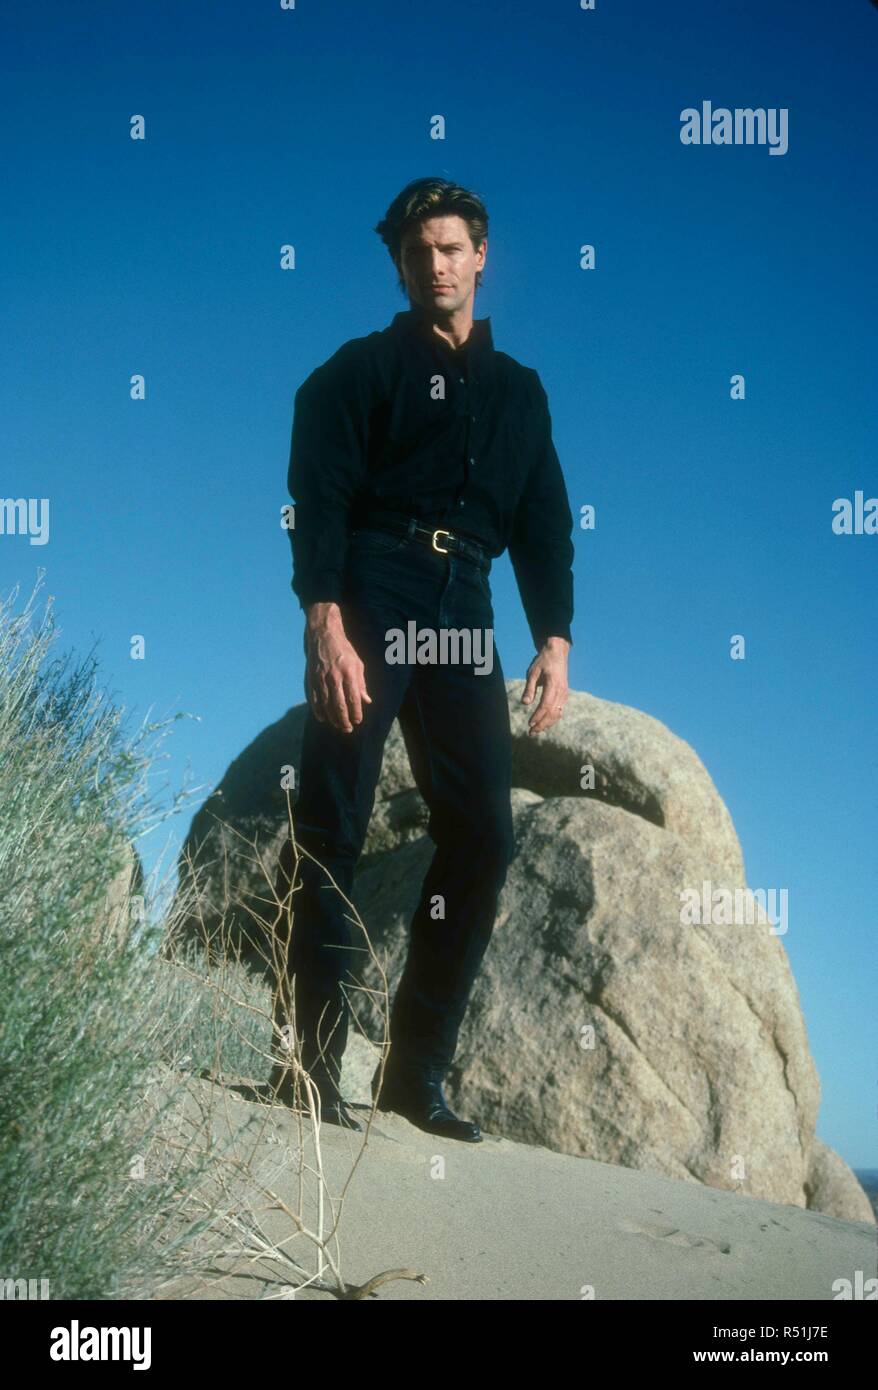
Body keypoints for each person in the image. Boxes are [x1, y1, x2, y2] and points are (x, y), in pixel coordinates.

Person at [269, 176, 574, 1141]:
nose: (434, 266)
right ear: (399, 267)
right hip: (373, 583)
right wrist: (324, 619)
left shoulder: (522, 393)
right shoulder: (352, 375)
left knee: (483, 836)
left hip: (465, 606)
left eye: (450, 249)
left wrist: (554, 639)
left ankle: (414, 1076)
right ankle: (307, 1062)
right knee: (335, 815)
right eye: (416, 253)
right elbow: (317, 496)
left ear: (481, 257)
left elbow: (545, 523)